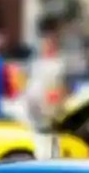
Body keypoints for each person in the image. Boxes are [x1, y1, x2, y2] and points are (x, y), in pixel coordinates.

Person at [24, 18, 67, 157]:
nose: (47, 46)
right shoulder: (37, 64)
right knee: (42, 143)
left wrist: (55, 107)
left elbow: (57, 89)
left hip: (48, 112)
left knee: (49, 143)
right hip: (36, 111)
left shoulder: (56, 64)